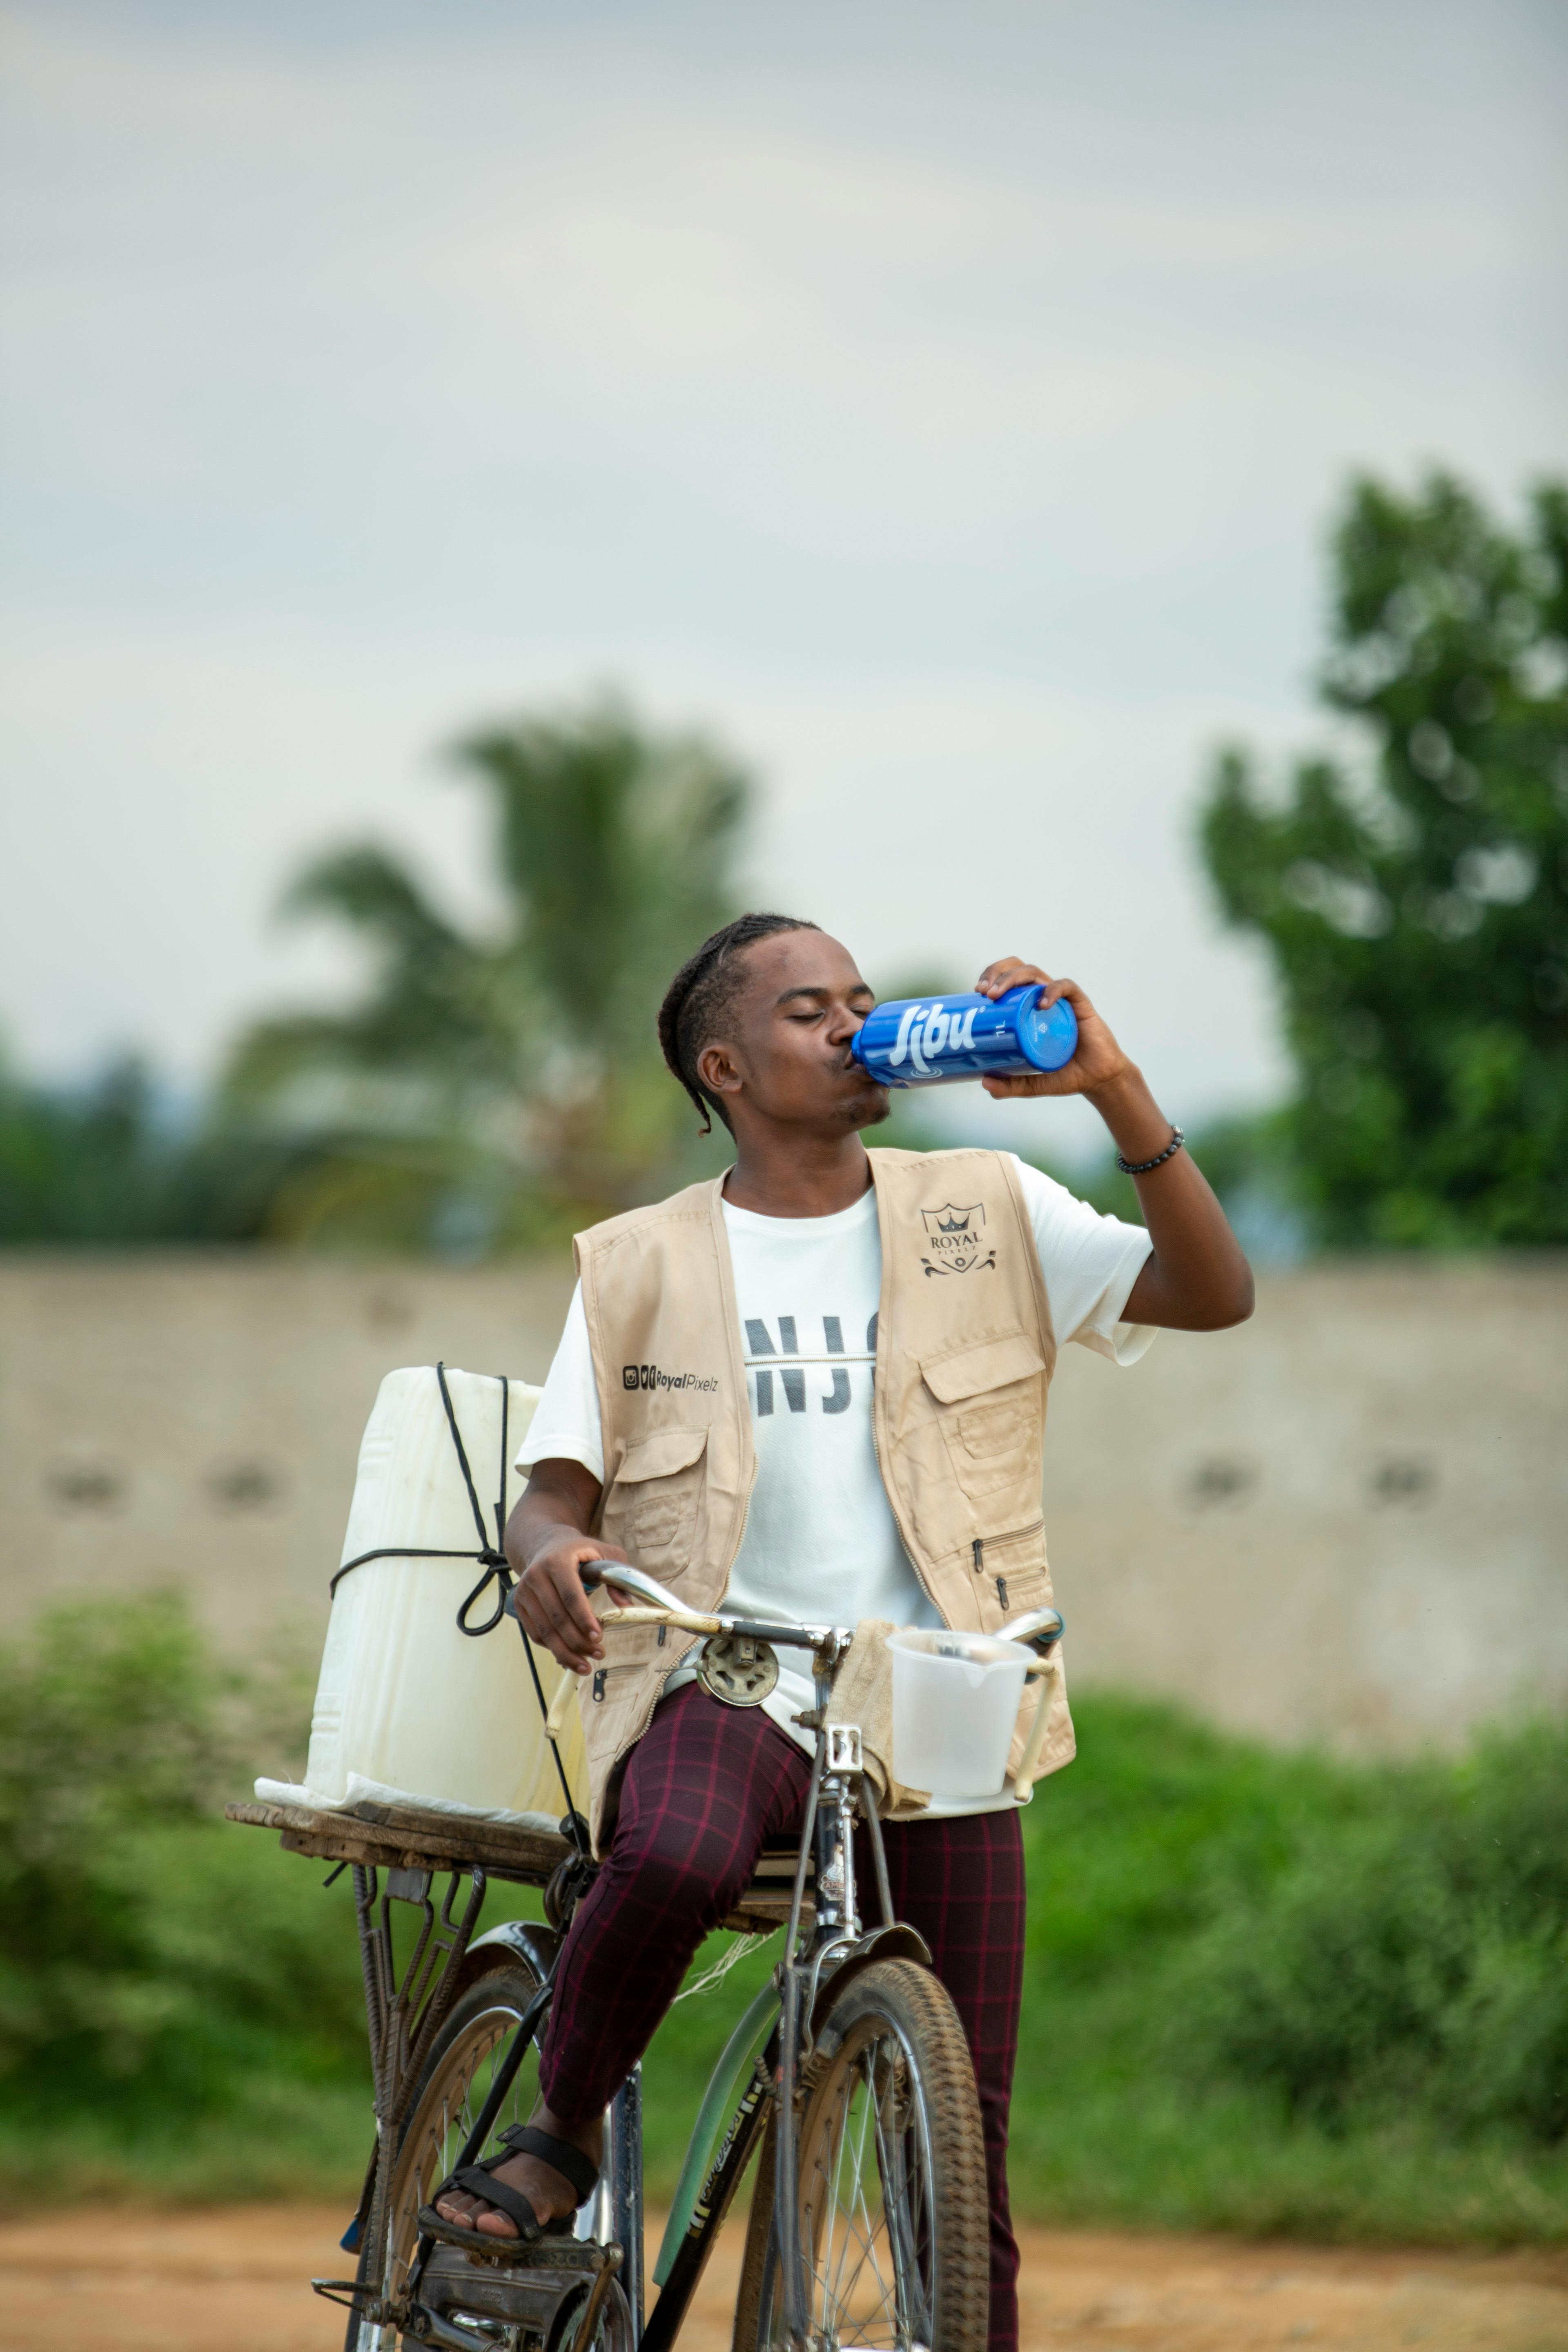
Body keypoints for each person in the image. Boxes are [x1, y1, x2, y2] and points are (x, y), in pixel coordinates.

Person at [429, 914, 1253, 2351]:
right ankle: (560, 2127)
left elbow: (1214, 1295)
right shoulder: (639, 1262)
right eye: (814, 1012)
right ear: (726, 1066)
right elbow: (551, 1494)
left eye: (865, 1002)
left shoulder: (986, 1201)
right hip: (726, 1675)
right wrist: (555, 1550)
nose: (858, 1026)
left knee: (965, 2136)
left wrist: (1109, 1082)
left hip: (943, 1701)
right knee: (677, 1850)